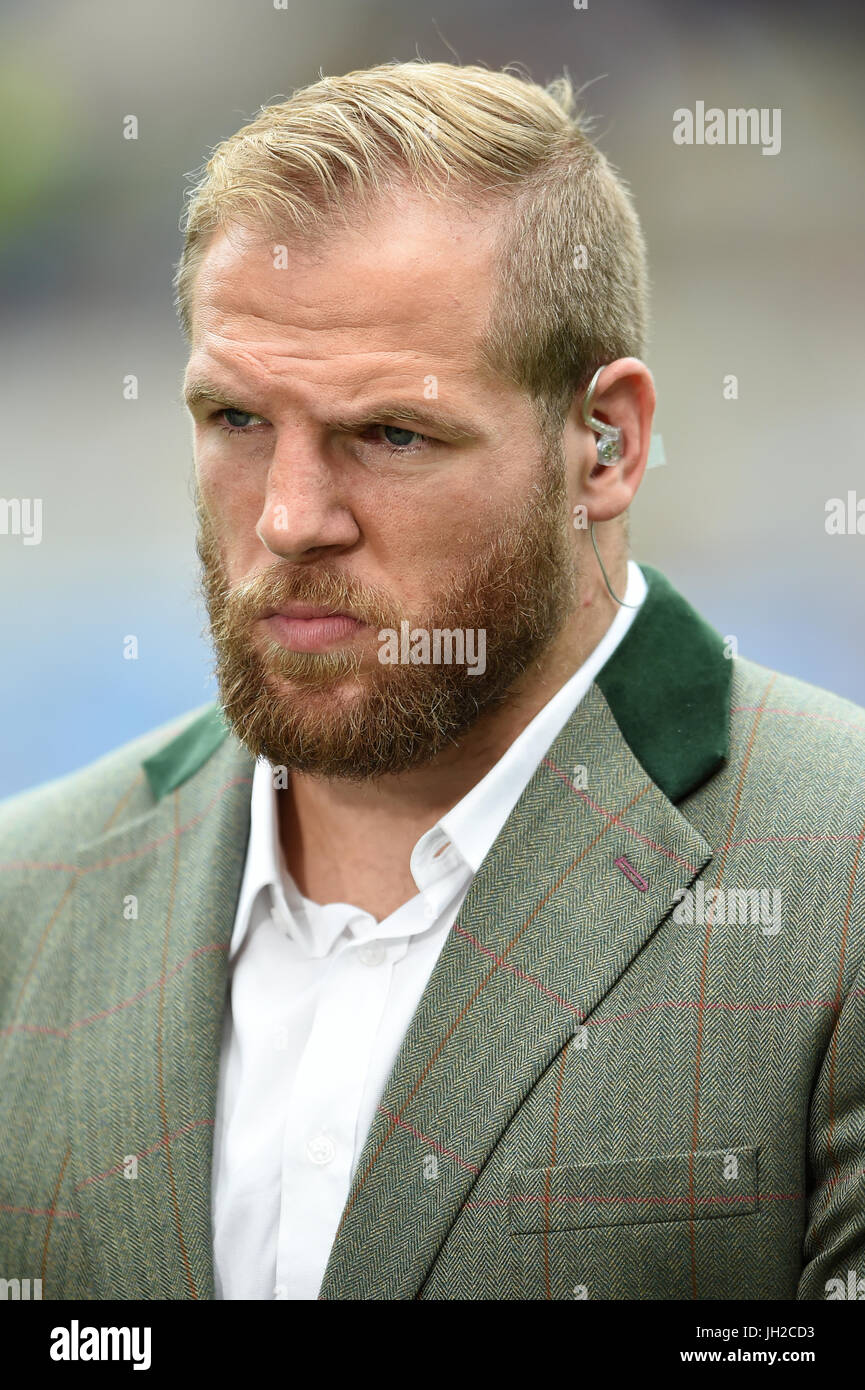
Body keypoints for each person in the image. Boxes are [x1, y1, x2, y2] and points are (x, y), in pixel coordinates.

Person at [1, 60, 863, 1302]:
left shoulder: (834, 886)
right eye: (237, 421)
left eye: (391, 435)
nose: (292, 519)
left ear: (605, 444)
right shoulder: (28, 902)